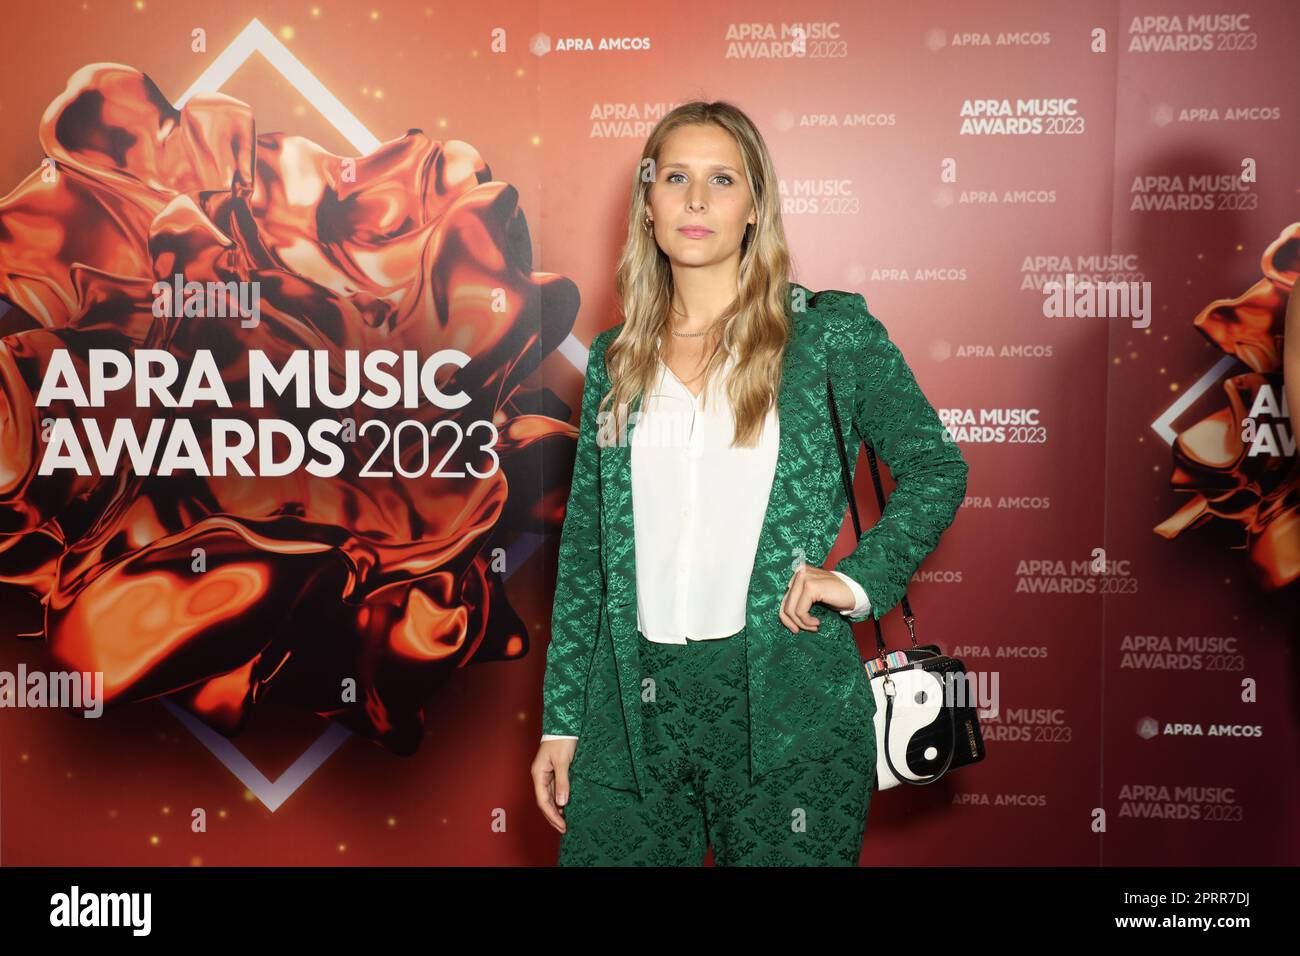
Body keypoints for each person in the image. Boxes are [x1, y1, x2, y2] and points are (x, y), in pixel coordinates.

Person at [530, 100, 968, 866]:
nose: (696, 199)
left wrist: (858, 581)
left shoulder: (830, 340)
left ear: (753, 207)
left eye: (722, 179)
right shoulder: (613, 360)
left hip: (790, 708)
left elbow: (936, 467)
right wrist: (563, 721)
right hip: (633, 714)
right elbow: (587, 559)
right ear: (649, 203)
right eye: (676, 177)